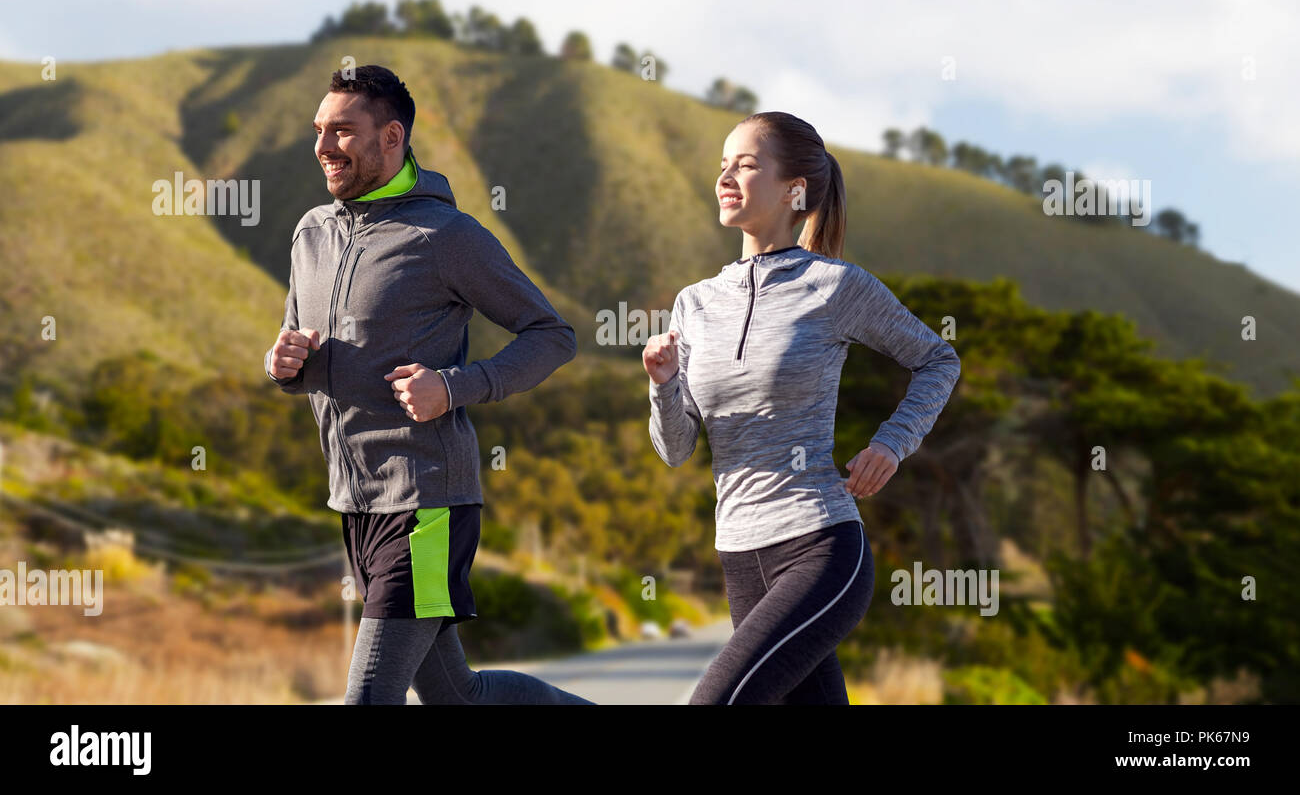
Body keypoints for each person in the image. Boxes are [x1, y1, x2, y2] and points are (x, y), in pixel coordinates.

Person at [265, 64, 591, 705]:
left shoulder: (445, 236)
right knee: (457, 697)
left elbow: (552, 335)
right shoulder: (311, 233)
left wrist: (456, 386)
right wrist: (283, 364)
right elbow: (295, 351)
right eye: (319, 130)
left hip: (428, 503)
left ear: (391, 138)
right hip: (354, 506)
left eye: (342, 131)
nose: (324, 147)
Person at [644, 111, 961, 704]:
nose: (726, 177)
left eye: (746, 164)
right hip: (739, 555)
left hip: (817, 543)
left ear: (796, 190)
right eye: (722, 165)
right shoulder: (695, 304)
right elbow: (677, 449)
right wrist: (662, 384)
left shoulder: (835, 286)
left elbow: (938, 360)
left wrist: (892, 443)